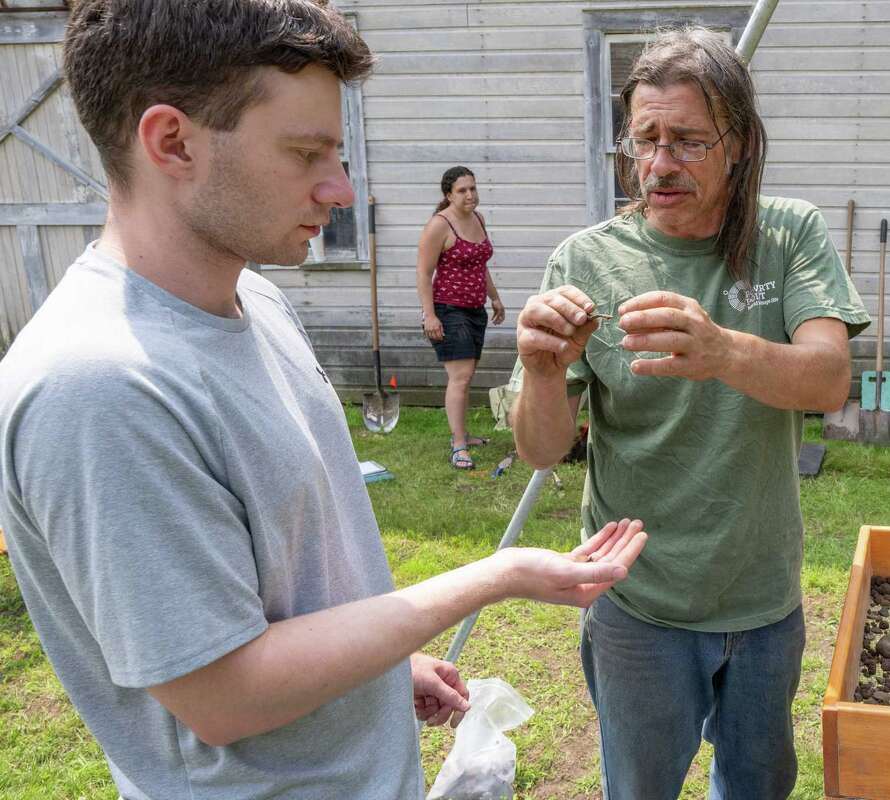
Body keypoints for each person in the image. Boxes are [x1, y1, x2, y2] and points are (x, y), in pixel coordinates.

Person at [0, 3, 646, 799]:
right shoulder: (99, 386)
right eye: (307, 153)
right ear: (172, 141)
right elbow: (221, 694)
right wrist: (497, 573)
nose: (340, 188)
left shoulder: (258, 302)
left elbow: (289, 577)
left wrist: (379, 664)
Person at [511, 26, 871, 800]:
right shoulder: (587, 261)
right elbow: (542, 450)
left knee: (756, 787)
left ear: (736, 143)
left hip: (762, 596)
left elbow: (830, 381)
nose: (660, 163)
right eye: (645, 140)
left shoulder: (788, 235)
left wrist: (724, 351)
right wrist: (542, 372)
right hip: (638, 602)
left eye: (687, 141)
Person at [416, 166, 505, 470]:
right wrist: (429, 316)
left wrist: (494, 296)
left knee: (465, 379)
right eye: (462, 190)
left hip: (475, 310)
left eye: (473, 188)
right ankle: (458, 446)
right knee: (460, 377)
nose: (470, 195)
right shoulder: (439, 226)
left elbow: (480, 264)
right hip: (448, 310)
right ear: (448, 195)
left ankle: (463, 434)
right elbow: (424, 273)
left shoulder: (478, 219)